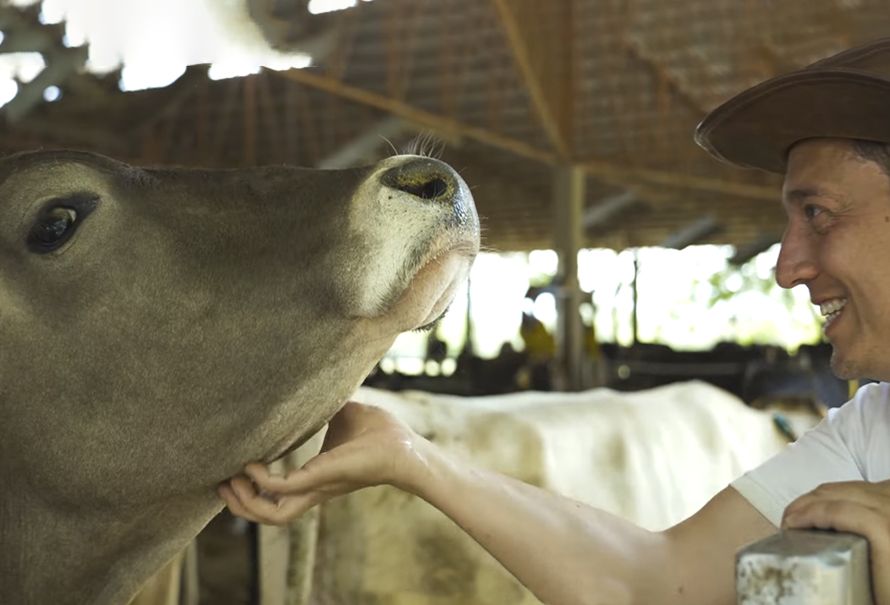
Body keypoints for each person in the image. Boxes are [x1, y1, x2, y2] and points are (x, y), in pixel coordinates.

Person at [220, 38, 890, 604]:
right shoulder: (866, 433)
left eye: (818, 214)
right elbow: (655, 583)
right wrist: (411, 457)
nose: (786, 265)